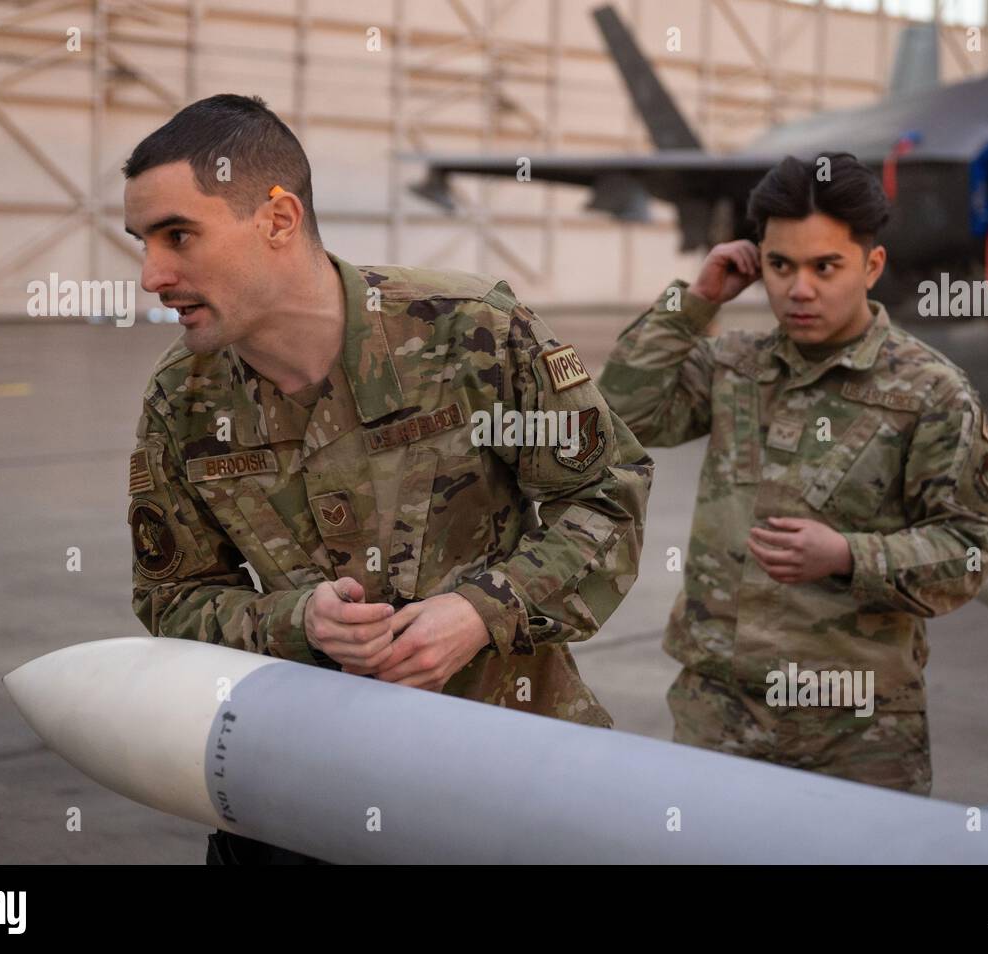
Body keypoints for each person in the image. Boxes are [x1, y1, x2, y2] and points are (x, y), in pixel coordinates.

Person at [122, 94, 652, 862]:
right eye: (142, 241)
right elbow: (170, 597)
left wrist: (480, 612)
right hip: (301, 797)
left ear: (277, 219)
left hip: (506, 780)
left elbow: (607, 498)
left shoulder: (467, 331)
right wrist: (298, 623)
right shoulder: (184, 399)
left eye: (178, 236)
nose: (151, 275)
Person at [598, 153, 988, 795]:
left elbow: (970, 550)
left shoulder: (930, 392)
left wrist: (849, 556)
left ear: (871, 266)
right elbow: (622, 413)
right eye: (780, 266)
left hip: (855, 728)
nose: (799, 289)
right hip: (719, 712)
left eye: (826, 267)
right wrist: (696, 302)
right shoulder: (737, 364)